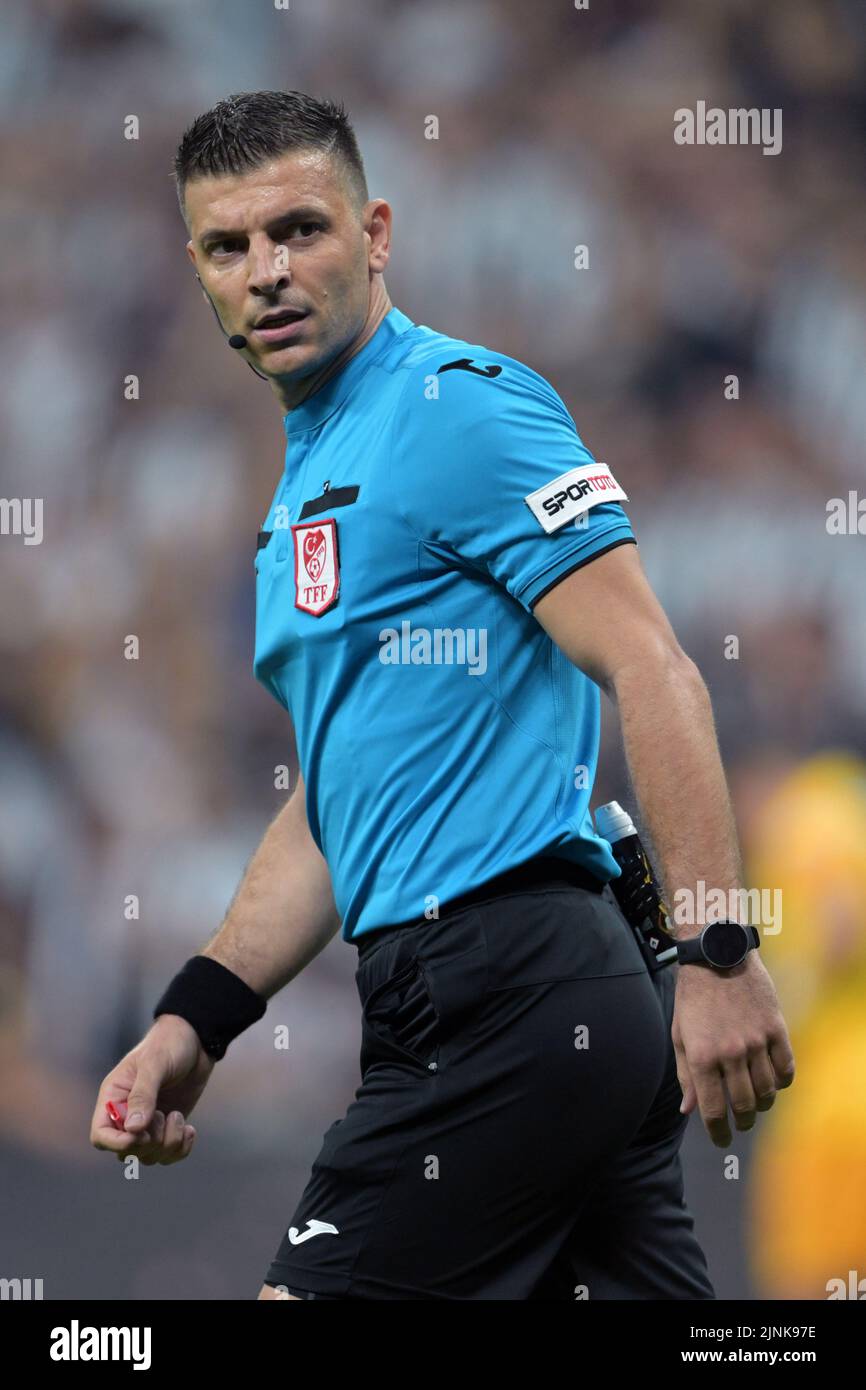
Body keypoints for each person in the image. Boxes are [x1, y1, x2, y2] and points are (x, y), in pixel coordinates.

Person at [90, 90, 795, 1301]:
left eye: (299, 230)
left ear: (373, 235)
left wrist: (719, 951)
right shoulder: (310, 476)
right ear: (198, 272)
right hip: (527, 1000)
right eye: (228, 245)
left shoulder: (458, 408)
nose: (266, 271)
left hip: (503, 984)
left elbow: (651, 666)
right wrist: (193, 1020)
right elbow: (335, 806)